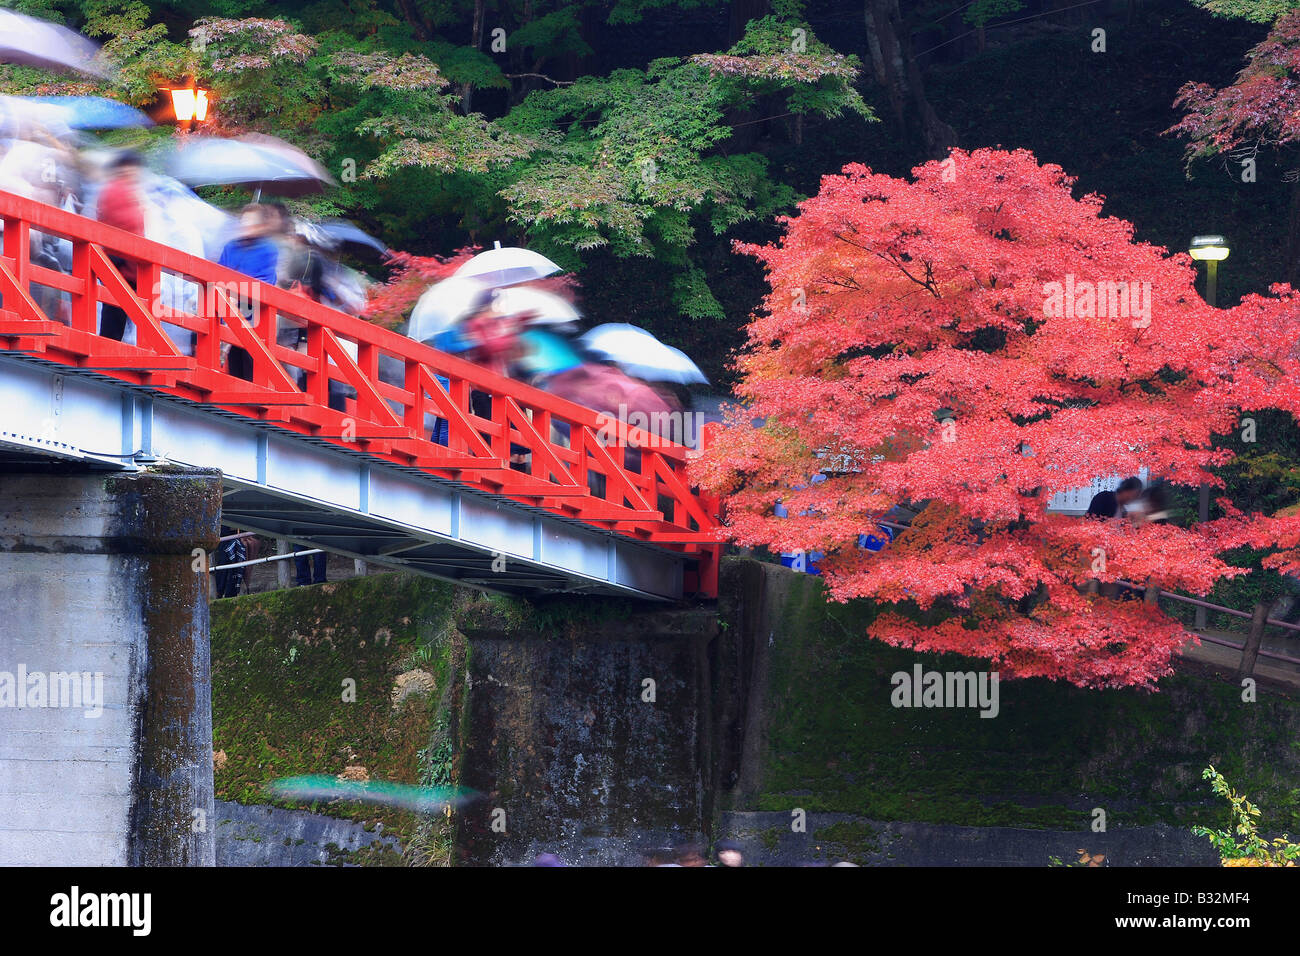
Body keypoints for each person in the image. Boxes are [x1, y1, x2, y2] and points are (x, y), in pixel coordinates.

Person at [218, 203, 280, 381]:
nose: (246, 225)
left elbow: (265, 283)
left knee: (250, 369)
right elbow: (217, 274)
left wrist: (235, 292)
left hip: (254, 316)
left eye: (251, 222)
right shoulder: (231, 247)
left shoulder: (268, 249)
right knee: (233, 369)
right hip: (229, 311)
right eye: (244, 221)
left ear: (261, 226)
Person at [94, 151, 147, 341]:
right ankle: (107, 350)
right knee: (114, 317)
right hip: (121, 262)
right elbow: (126, 224)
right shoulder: (116, 190)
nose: (132, 171)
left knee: (118, 316)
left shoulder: (128, 191)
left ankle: (110, 348)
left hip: (127, 263)